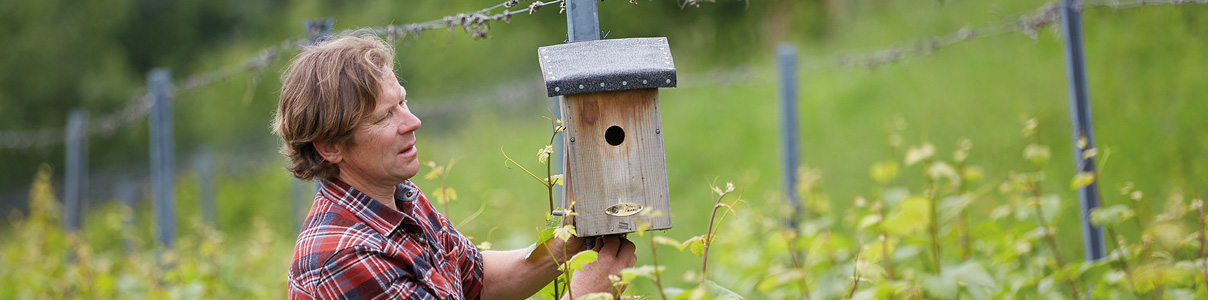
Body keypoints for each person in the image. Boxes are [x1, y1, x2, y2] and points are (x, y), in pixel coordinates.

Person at [273, 32, 637, 300]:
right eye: (385, 116)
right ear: (330, 146)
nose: (411, 121)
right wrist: (589, 295)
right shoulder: (345, 256)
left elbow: (477, 279)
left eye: (402, 102)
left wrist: (572, 243)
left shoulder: (399, 200)